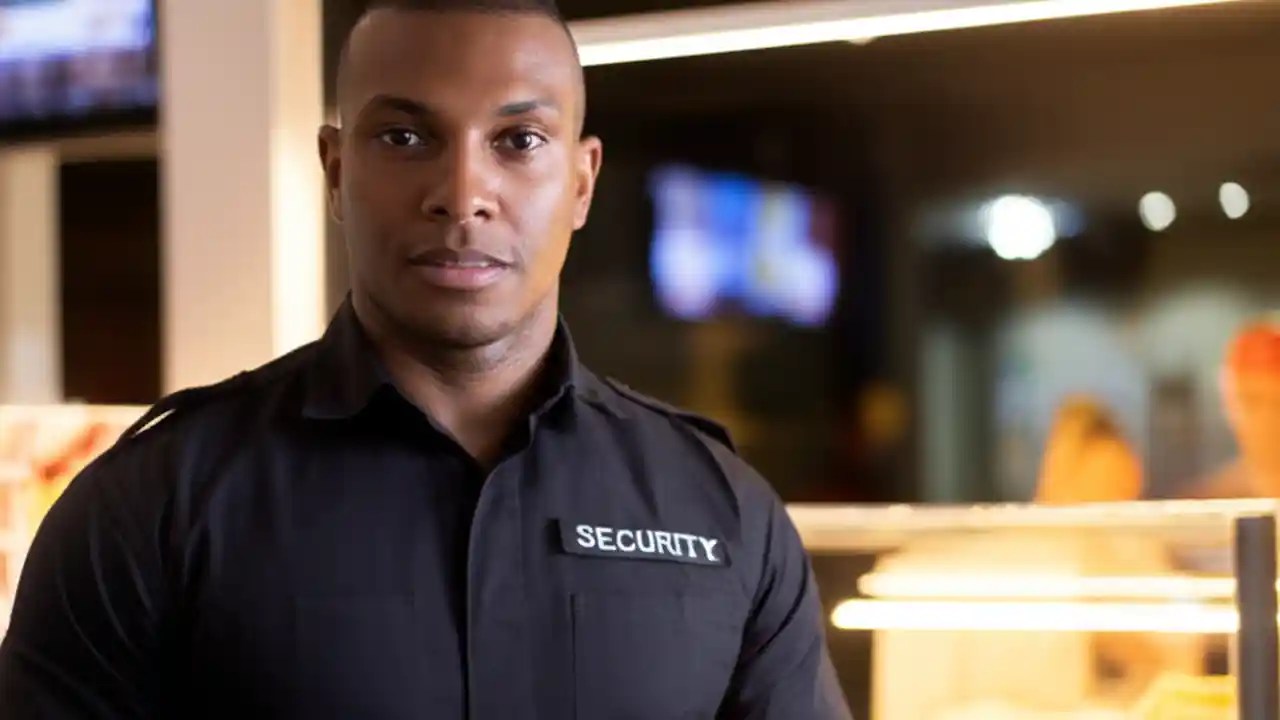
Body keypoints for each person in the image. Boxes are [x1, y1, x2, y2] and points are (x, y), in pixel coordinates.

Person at [0, 1, 852, 717]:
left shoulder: (724, 515)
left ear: (582, 184)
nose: (462, 193)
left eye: (518, 141)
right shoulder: (149, 506)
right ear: (336, 171)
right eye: (406, 137)